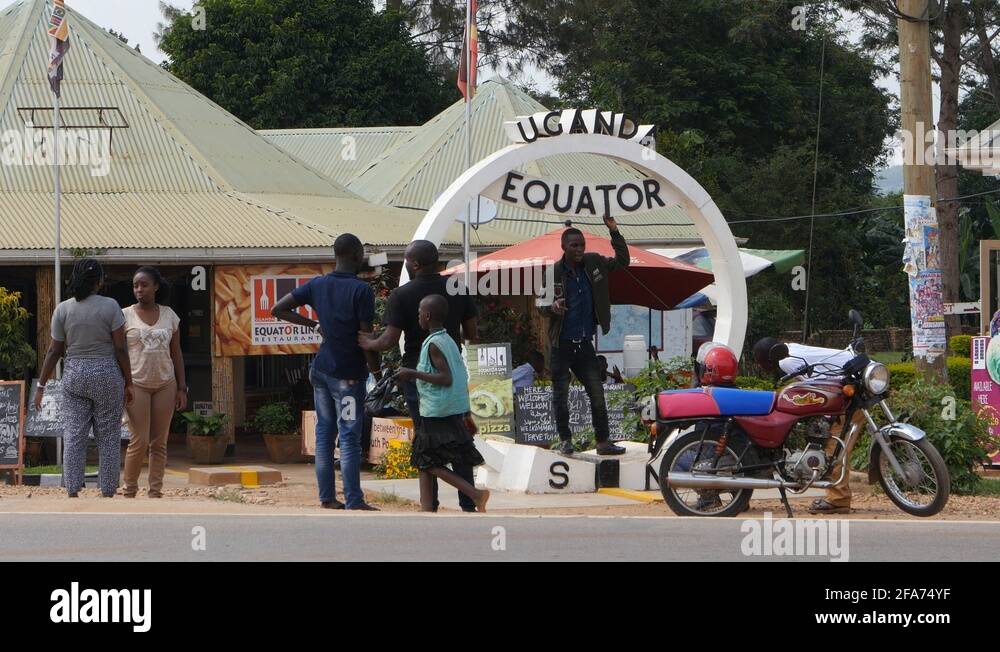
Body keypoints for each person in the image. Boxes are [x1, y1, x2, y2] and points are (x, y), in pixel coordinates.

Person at [359, 240, 480, 512]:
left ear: (414, 264)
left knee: (425, 439)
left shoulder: (402, 295)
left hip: (418, 379)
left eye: (405, 259)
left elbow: (389, 340)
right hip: (454, 374)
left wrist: (368, 343)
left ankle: (431, 505)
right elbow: (473, 334)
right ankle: (469, 503)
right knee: (458, 437)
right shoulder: (458, 288)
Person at [272, 234, 382, 511]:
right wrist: (376, 370)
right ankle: (354, 500)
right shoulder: (362, 290)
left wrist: (313, 325)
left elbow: (278, 308)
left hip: (320, 370)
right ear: (357, 255)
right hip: (348, 375)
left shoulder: (318, 284)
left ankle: (327, 498)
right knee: (348, 437)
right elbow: (365, 337)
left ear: (336, 255)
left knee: (324, 434)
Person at [34, 258, 134, 498]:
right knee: (108, 435)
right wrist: (129, 382)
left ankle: (72, 489)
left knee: (74, 434)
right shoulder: (111, 306)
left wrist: (40, 385)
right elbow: (120, 349)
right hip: (107, 373)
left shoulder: (63, 309)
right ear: (99, 281)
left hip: (75, 373)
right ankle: (108, 490)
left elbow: (54, 351)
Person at [538, 216, 630, 456]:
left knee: (597, 394)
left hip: (584, 343)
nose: (579, 249)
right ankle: (566, 440)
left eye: (581, 245)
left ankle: (602, 442)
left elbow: (623, 261)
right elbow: (540, 304)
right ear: (564, 247)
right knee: (561, 396)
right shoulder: (554, 272)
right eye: (574, 246)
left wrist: (614, 231)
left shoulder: (594, 263)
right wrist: (552, 308)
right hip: (562, 344)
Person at [395, 295, 490, 513]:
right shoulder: (448, 339)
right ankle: (427, 507)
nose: (417, 315)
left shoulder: (434, 345)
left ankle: (475, 494)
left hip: (437, 410)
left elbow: (445, 378)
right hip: (453, 407)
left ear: (427, 316)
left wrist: (412, 373)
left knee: (425, 459)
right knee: (429, 457)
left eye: (419, 311)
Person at [753, 337, 859, 515]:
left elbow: (816, 387)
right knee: (839, 445)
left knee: (835, 449)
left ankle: (838, 499)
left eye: (762, 362)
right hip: (858, 378)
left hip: (849, 390)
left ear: (769, 358)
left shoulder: (786, 361)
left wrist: (827, 416)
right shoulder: (790, 349)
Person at [122, 267, 186, 499]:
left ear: (156, 286)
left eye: (144, 285)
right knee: (139, 440)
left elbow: (176, 352)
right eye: (135, 285)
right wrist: (123, 382)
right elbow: (118, 352)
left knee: (159, 442)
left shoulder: (170, 315)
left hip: (165, 384)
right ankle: (129, 490)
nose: (139, 290)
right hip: (136, 383)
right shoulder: (124, 315)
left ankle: (155, 492)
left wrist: (181, 387)